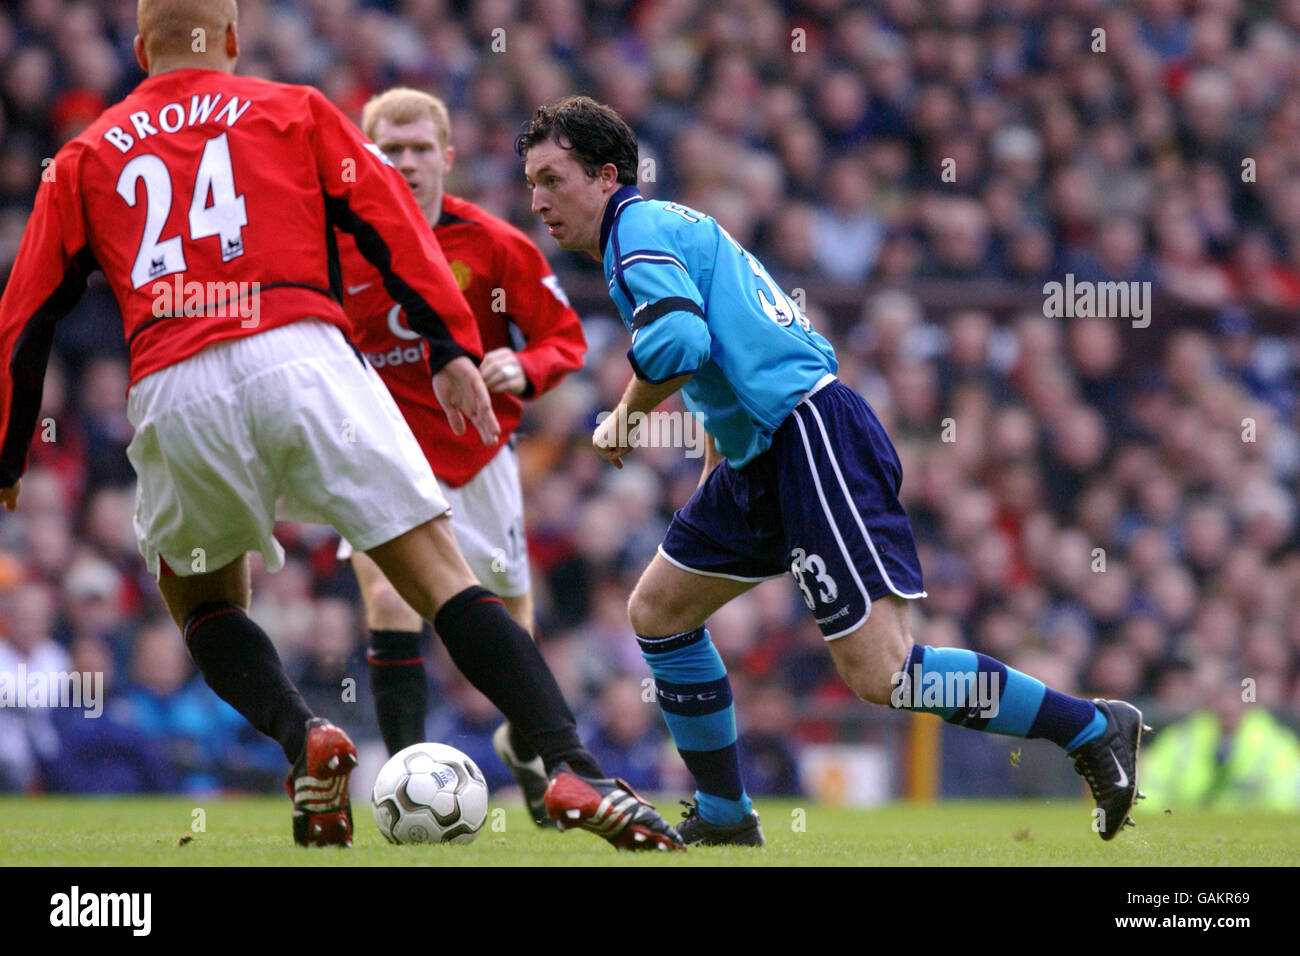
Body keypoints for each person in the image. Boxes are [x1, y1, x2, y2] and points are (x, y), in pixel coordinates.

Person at [0, 2, 680, 852]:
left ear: (140, 49)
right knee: (440, 576)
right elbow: (392, 218)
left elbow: (23, 320)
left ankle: (303, 739)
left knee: (201, 599)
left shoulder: (84, 154)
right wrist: (448, 342)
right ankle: (572, 764)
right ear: (234, 39)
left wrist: (6, 451)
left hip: (174, 375)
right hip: (305, 354)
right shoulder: (293, 108)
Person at [516, 95, 1149, 846]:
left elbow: (681, 344)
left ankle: (1092, 726)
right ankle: (725, 816)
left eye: (552, 179)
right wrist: (713, 476)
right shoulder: (668, 228)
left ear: (605, 175)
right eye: (531, 183)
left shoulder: (636, 230)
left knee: (881, 674)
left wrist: (624, 414)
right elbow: (724, 358)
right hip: (760, 453)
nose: (539, 200)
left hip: (811, 437)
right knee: (658, 609)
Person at [336, 88, 587, 825]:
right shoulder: (336, 245)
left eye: (419, 149)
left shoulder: (495, 246)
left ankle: (529, 746)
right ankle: (404, 776)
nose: (406, 162)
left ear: (445, 158)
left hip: (476, 458)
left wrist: (524, 367)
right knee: (387, 596)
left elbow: (564, 336)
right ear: (367, 157)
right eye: (390, 148)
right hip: (378, 459)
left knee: (510, 612)